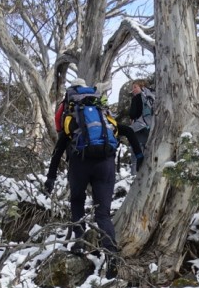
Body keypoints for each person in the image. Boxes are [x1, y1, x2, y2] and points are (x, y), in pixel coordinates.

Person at [44, 78, 144, 263]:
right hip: (105, 164)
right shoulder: (104, 117)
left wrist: (50, 178)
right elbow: (129, 132)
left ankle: (80, 241)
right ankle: (111, 254)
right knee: (103, 213)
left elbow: (57, 152)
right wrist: (139, 157)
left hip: (79, 164)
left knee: (77, 201)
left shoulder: (73, 118)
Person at [126, 80, 155, 157]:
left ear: (142, 87)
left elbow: (133, 113)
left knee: (136, 153)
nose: (133, 90)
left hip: (140, 127)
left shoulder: (137, 98)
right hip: (150, 125)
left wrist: (132, 118)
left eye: (135, 87)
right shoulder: (151, 96)